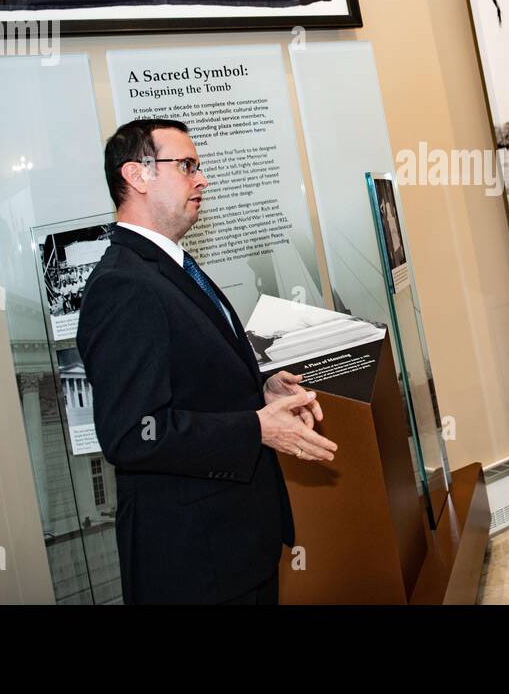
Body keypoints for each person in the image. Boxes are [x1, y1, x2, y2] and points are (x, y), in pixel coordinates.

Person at [77, 119, 337, 604]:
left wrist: (262, 393)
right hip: (194, 564)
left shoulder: (173, 267)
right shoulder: (124, 285)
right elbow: (132, 432)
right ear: (137, 176)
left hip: (234, 545)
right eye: (188, 166)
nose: (203, 180)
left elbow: (192, 386)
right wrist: (255, 428)